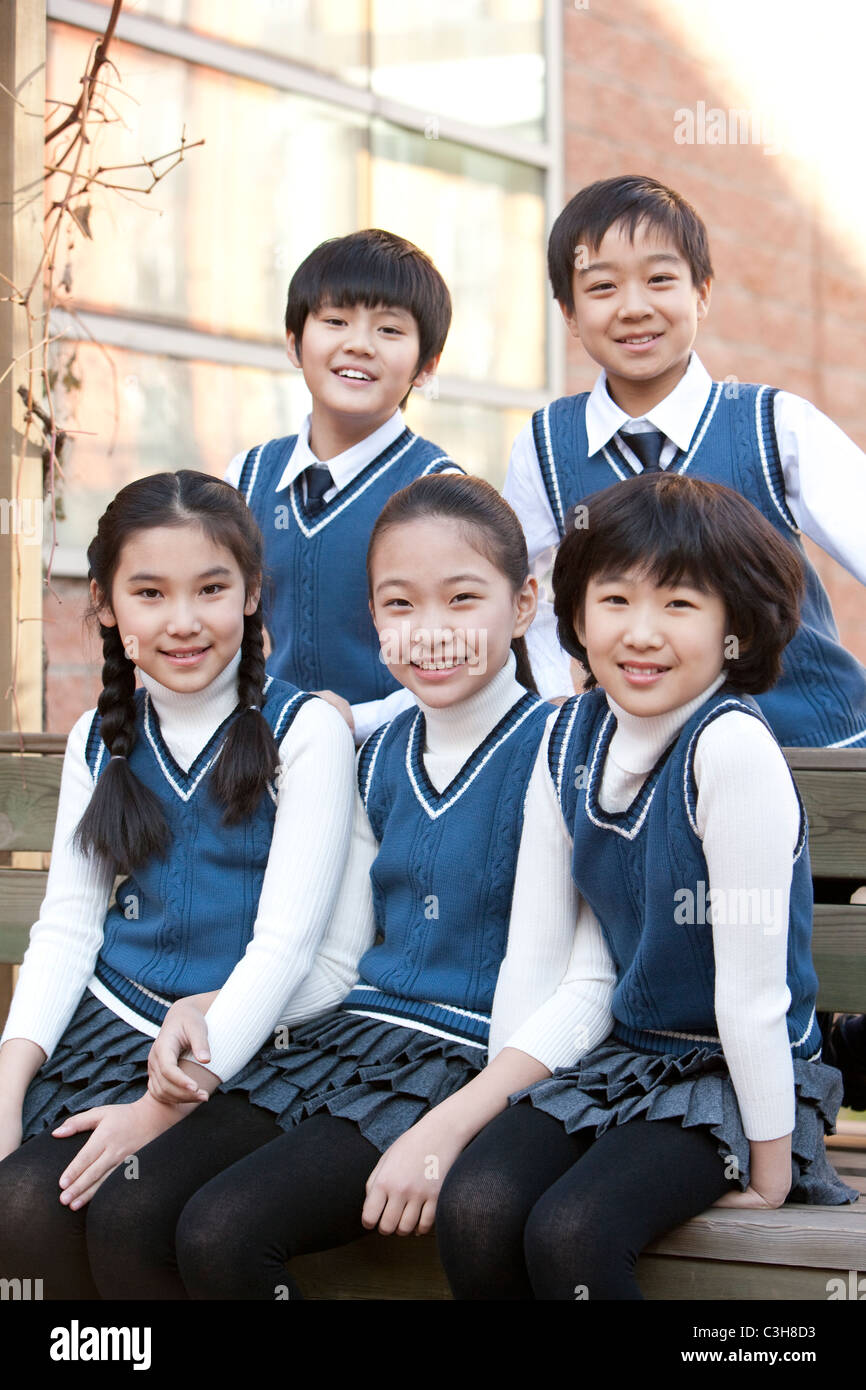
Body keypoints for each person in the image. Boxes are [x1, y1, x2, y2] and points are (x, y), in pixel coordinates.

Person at [81, 473, 612, 1300]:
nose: (431, 633)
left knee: (225, 1232)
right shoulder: (379, 753)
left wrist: (460, 1129)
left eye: (462, 599)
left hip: (472, 1063)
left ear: (523, 605)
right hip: (347, 1049)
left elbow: (577, 980)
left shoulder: (561, 746)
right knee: (131, 1206)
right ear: (373, 619)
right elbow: (335, 965)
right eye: (399, 606)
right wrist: (213, 1007)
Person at [435, 471, 857, 1302]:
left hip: (739, 1078)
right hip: (623, 1064)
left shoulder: (728, 751)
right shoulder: (566, 738)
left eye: (680, 605)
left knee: (573, 1235)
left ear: (736, 622)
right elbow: (562, 966)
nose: (641, 633)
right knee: (477, 1204)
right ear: (578, 615)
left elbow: (751, 997)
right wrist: (483, 1111)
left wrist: (775, 1172)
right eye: (616, 599)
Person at [503, 172, 866, 1101]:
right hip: (650, 788)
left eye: (661, 279)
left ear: (703, 290)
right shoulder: (544, 448)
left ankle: (796, 1110)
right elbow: (535, 602)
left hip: (812, 761)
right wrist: (567, 704)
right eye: (602, 286)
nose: (635, 307)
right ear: (567, 309)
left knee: (799, 976)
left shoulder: (772, 422)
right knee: (674, 987)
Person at [0, 470, 356, 1298]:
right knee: (20, 1207)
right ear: (106, 603)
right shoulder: (101, 735)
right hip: (111, 1029)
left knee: (134, 1209)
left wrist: (154, 1113)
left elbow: (286, 949)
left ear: (252, 593)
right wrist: (9, 1082)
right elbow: (67, 925)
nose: (184, 621)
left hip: (247, 1048)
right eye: (150, 592)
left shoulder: (304, 734)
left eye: (212, 589)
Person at [225, 227, 462, 747]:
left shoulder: (437, 491)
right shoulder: (246, 476)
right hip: (266, 766)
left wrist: (357, 720)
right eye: (335, 321)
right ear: (294, 342)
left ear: (426, 367)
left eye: (390, 330)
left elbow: (467, 657)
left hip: (396, 770)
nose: (358, 344)